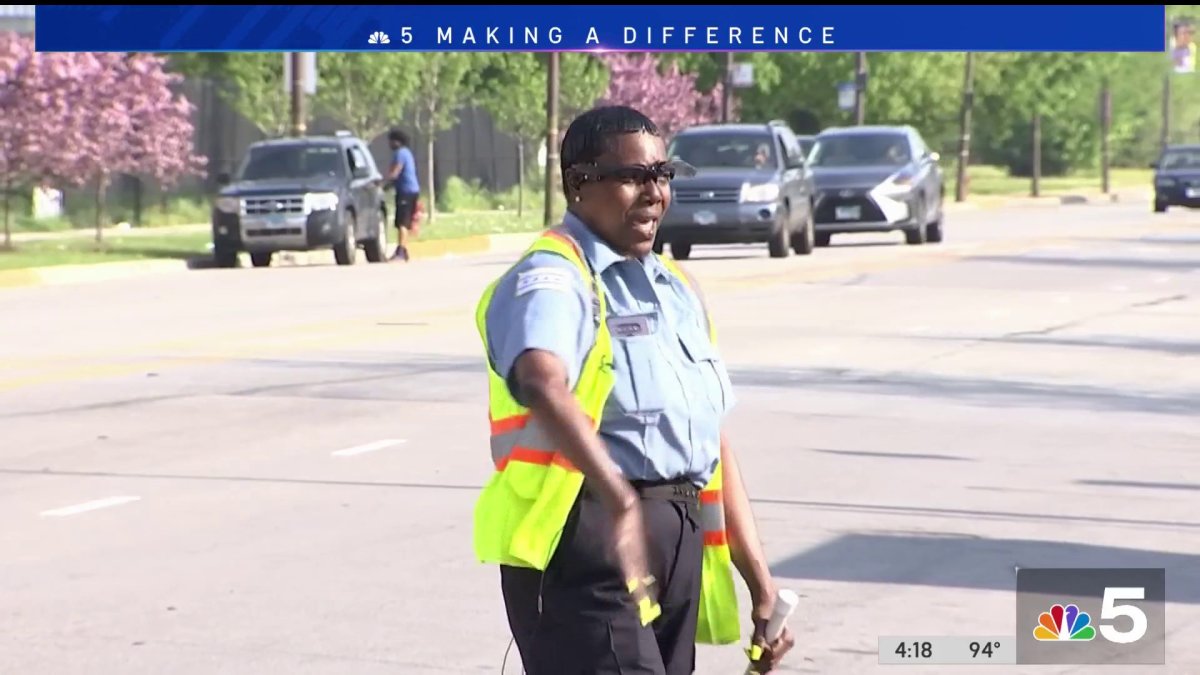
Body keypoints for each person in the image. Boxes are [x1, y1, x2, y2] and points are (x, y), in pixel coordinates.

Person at [472, 105, 795, 675]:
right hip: (587, 543)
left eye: (663, 175)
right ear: (578, 185)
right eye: (632, 177)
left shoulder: (677, 290)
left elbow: (711, 444)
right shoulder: (554, 277)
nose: (654, 192)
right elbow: (539, 380)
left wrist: (762, 586)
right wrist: (619, 499)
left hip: (674, 546)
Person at [386, 128, 421, 261]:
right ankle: (404, 250)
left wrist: (385, 185)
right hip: (412, 190)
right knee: (404, 223)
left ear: (397, 141)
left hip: (405, 191)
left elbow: (396, 171)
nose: (389, 144)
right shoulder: (407, 152)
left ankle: (401, 251)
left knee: (402, 222)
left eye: (391, 141)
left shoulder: (400, 153)